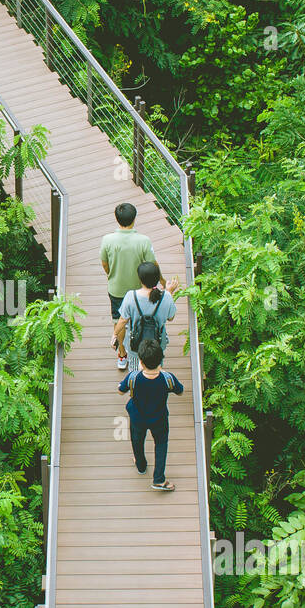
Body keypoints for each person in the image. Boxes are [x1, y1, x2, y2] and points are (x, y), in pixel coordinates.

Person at [118, 340, 185, 491]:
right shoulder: (168, 378)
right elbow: (180, 391)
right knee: (161, 444)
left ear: (141, 361)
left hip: (137, 417)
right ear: (161, 360)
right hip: (159, 418)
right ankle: (159, 479)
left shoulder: (133, 377)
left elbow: (121, 391)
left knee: (137, 440)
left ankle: (141, 465)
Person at [100, 203, 155, 370]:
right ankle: (142, 354)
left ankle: (122, 354)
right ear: (134, 219)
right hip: (139, 289)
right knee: (140, 319)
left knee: (119, 320)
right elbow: (151, 264)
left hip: (116, 288)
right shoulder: (144, 241)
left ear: (117, 219)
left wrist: (112, 275)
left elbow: (104, 264)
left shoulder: (107, 240)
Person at [113, 261, 180, 368]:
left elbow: (123, 320)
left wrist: (115, 335)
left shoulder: (131, 296)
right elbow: (171, 317)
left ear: (140, 279)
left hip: (136, 344)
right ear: (157, 279)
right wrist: (169, 292)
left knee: (134, 370)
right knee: (157, 368)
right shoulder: (166, 296)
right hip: (157, 343)